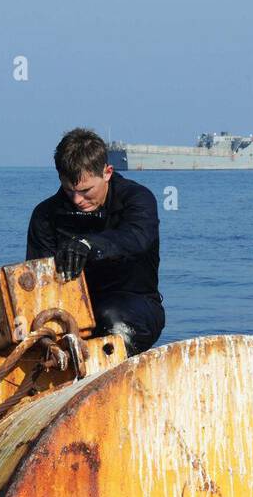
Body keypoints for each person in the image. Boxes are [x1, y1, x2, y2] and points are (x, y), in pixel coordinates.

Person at [25, 128, 164, 354]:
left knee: (111, 316)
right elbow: (39, 273)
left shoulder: (138, 199)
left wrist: (89, 245)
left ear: (107, 172)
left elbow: (137, 238)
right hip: (70, 309)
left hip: (135, 304)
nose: (78, 200)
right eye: (69, 191)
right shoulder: (45, 215)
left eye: (86, 190)